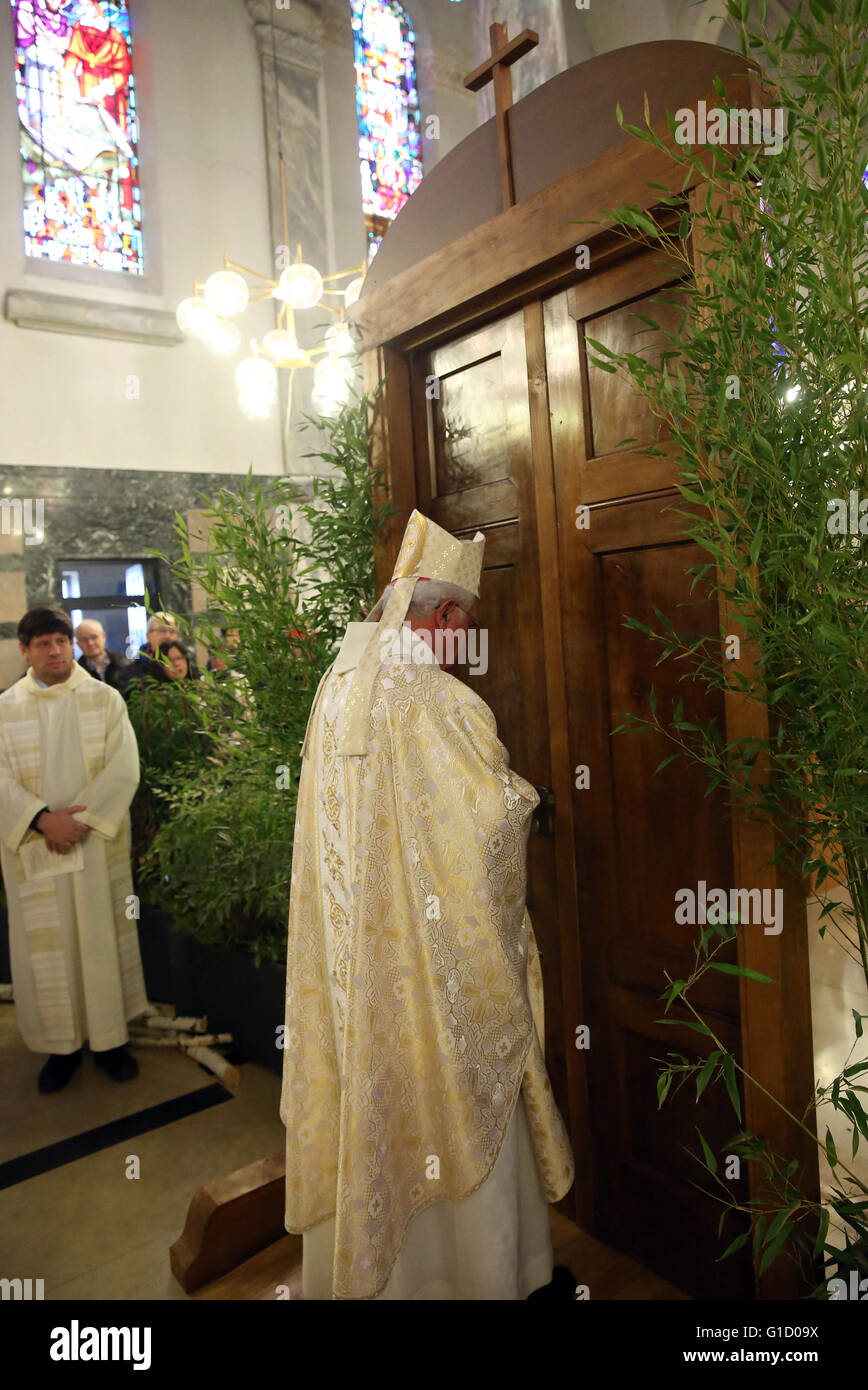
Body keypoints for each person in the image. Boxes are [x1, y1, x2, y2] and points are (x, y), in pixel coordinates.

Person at [280, 510, 574, 1300]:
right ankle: (485, 1279)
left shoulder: (337, 685)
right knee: (455, 1089)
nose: (465, 645)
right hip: (429, 984)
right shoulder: (439, 704)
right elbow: (480, 836)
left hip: (355, 980)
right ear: (442, 614)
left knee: (373, 1111)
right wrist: (527, 802)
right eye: (465, 625)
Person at [0, 606, 146, 1093]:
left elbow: (125, 768)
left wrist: (77, 823)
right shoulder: (5, 710)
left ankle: (110, 1041)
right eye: (42, 643)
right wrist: (42, 820)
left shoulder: (104, 700)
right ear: (24, 651)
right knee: (49, 948)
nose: (55, 651)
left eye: (60, 641)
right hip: (37, 851)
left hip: (92, 845)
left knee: (100, 939)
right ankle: (59, 1051)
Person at [118, 612, 180, 697]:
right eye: (162, 630)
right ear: (148, 636)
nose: (167, 636)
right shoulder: (129, 674)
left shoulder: (187, 669)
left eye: (172, 631)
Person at [75, 618, 129, 690]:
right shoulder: (75, 674)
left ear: (104, 637)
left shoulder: (125, 664)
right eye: (84, 640)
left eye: (94, 637)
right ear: (78, 644)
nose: (90, 643)